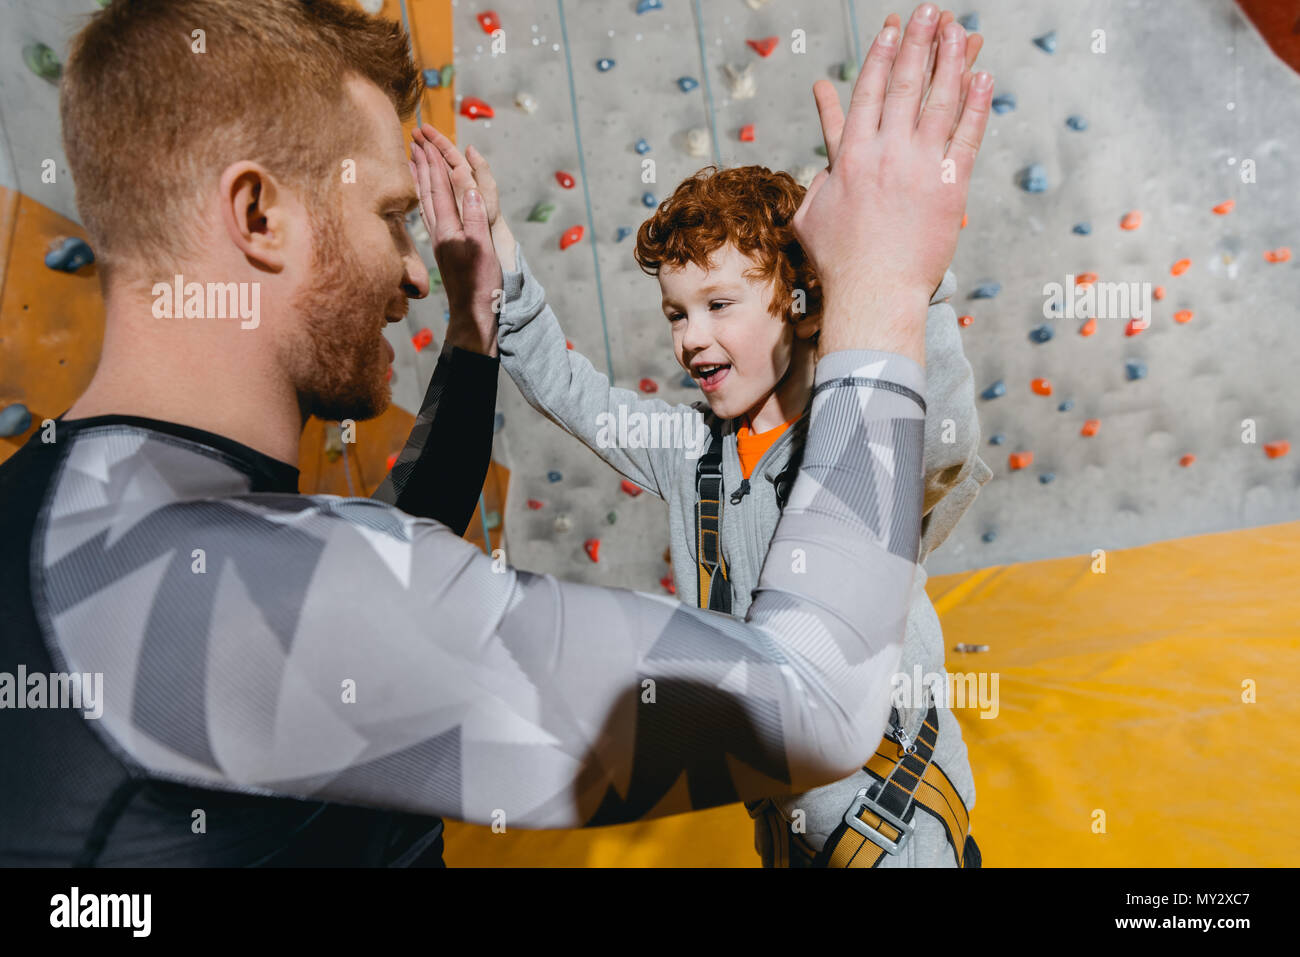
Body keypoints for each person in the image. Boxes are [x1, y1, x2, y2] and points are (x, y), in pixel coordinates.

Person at [0, 0, 991, 866]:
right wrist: (885, 285)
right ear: (258, 213)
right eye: (391, 217)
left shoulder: (79, 517)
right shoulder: (258, 586)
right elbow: (815, 704)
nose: (413, 271)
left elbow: (395, 538)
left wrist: (479, 329)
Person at [413, 10, 991, 868]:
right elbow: (566, 385)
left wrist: (907, 282)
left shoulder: (858, 440)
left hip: (894, 828)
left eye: (720, 305)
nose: (690, 337)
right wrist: (495, 256)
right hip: (785, 827)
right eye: (677, 313)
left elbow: (934, 427)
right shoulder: (692, 452)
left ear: (800, 301)